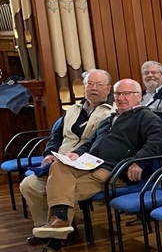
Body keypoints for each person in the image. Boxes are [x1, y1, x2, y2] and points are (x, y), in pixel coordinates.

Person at [25, 79, 162, 252]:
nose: (122, 98)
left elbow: (161, 140)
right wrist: (75, 153)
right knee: (58, 167)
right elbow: (89, 143)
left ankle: (54, 245)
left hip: (111, 172)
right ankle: (59, 221)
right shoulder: (108, 120)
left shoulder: (145, 117)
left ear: (138, 96)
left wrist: (138, 161)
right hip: (87, 165)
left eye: (127, 94)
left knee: (64, 191)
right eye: (118, 94)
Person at [21, 69, 113, 242]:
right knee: (29, 185)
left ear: (108, 88)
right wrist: (49, 154)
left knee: (59, 186)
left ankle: (60, 233)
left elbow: (99, 145)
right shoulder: (72, 110)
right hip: (59, 162)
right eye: (90, 84)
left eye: (99, 85)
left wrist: (74, 158)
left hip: (86, 166)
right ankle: (46, 229)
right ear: (84, 87)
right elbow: (55, 137)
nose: (94, 88)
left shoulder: (112, 114)